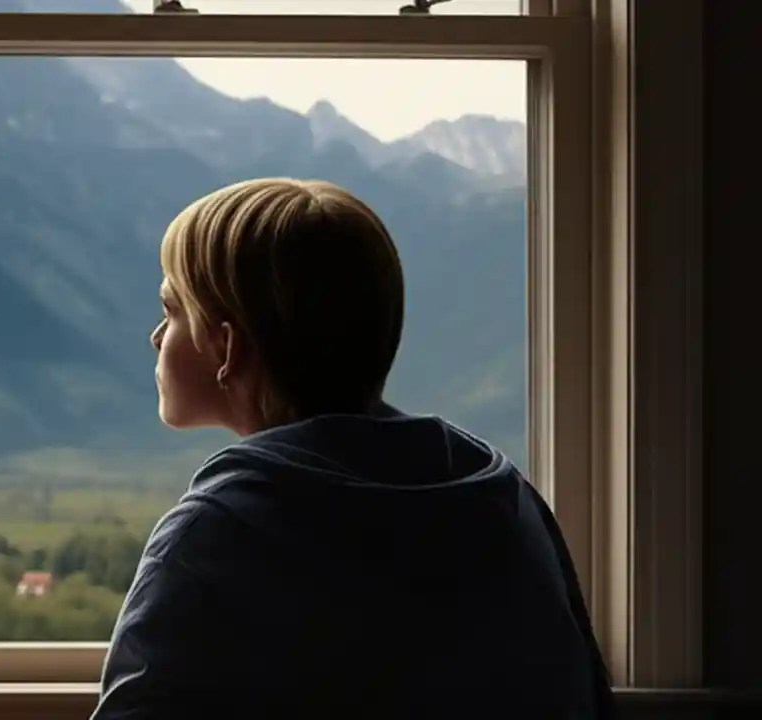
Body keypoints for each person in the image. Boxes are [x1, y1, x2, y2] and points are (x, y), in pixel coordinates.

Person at [90, 178, 616, 719]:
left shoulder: (212, 535)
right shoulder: (509, 504)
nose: (157, 335)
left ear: (226, 347)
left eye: (172, 310)